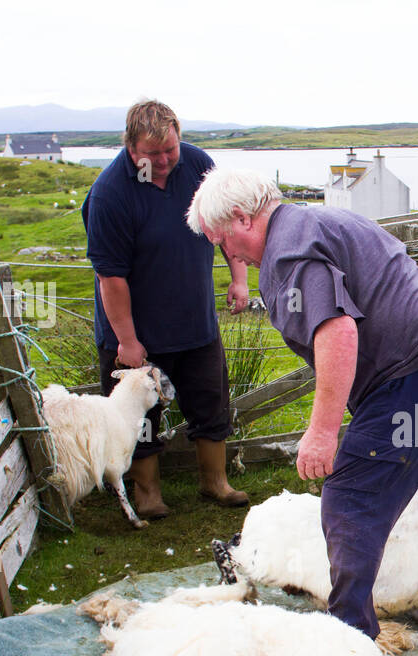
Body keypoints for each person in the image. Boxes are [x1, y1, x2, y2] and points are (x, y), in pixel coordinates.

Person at [185, 168, 418, 639]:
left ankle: (349, 643)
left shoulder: (287, 254)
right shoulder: (316, 221)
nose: (226, 254)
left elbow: (337, 331)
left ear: (243, 218)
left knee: (350, 499)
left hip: (416, 372)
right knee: (416, 487)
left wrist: (323, 433)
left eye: (221, 241)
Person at [81, 100, 249, 518]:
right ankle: (147, 493)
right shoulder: (109, 194)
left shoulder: (196, 166)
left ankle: (215, 483)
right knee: (139, 414)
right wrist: (128, 341)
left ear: (179, 138)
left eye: (169, 150)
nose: (162, 161)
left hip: (195, 324)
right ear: (130, 146)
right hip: (137, 333)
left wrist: (240, 277)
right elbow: (111, 278)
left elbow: (226, 223)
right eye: (151, 154)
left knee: (211, 403)